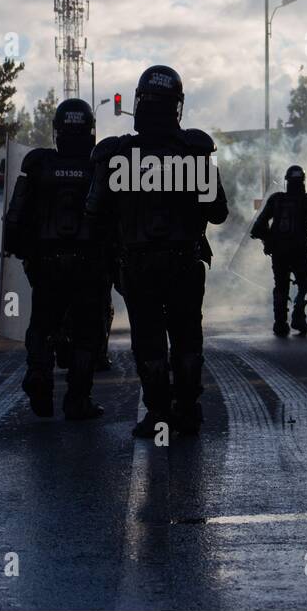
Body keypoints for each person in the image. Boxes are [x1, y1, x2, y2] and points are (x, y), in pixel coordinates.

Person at [86, 65, 228, 438]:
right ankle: (188, 410)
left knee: (148, 339)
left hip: (139, 262)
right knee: (186, 336)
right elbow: (219, 211)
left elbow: (94, 211)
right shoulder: (194, 150)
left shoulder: (117, 153)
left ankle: (159, 414)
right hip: (184, 260)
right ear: (176, 105)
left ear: (140, 102)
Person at [2, 98, 106, 421]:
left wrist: (21, 252)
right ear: (89, 130)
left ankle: (39, 375)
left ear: (57, 131)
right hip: (88, 266)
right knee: (88, 332)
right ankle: (77, 399)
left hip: (46, 265)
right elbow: (114, 218)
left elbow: (15, 218)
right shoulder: (98, 168)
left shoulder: (38, 166)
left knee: (42, 325)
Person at [250, 165, 307, 337]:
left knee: (281, 287)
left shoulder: (276, 200)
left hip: (279, 252)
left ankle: (280, 323)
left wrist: (269, 241)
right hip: (300, 252)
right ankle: (299, 319)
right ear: (302, 182)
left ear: (287, 182)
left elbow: (257, 228)